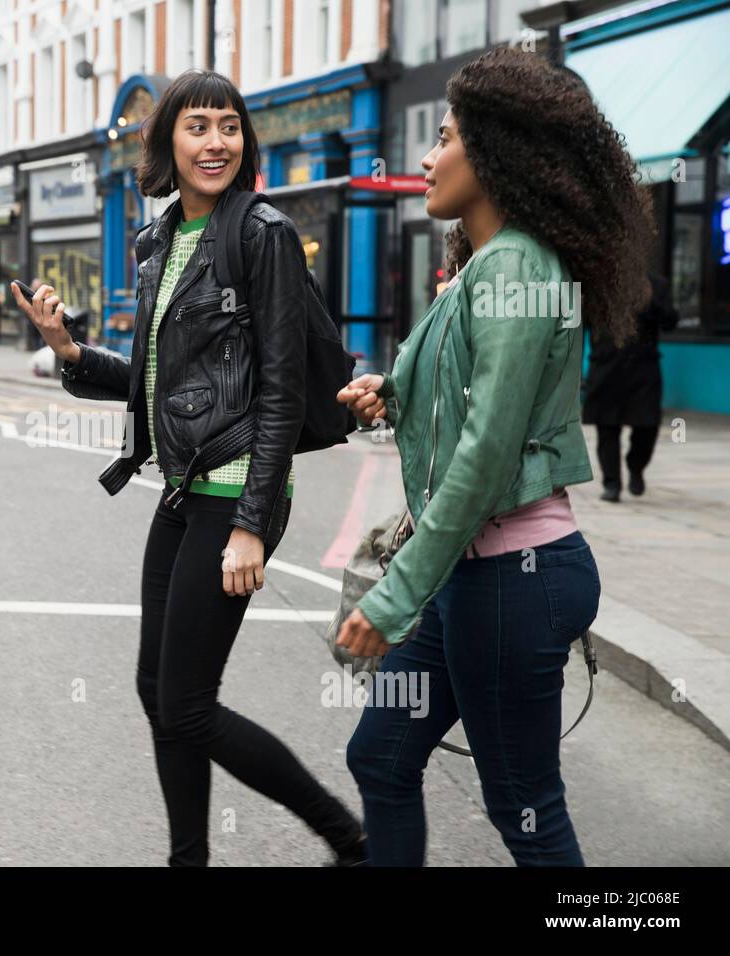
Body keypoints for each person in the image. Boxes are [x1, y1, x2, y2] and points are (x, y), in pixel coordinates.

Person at [11, 68, 366, 868]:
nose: (216, 142)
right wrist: (70, 352)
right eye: (198, 126)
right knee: (157, 693)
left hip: (238, 492)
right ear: (167, 140)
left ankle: (351, 839)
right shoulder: (160, 241)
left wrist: (249, 527)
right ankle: (190, 859)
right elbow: (155, 378)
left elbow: (278, 390)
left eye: (230, 126)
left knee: (189, 706)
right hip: (183, 491)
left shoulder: (263, 233)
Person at [335, 47, 654, 866]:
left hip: (511, 578)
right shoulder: (487, 267)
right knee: (380, 755)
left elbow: (486, 451)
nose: (427, 156)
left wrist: (396, 593)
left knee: (525, 809)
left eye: (443, 138)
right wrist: (392, 393)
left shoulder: (515, 264)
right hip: (474, 577)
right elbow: (470, 394)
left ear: (496, 152)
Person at [582, 272, 678, 501]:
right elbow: (578, 323)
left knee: (648, 426)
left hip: (643, 368)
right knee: (607, 428)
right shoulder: (596, 284)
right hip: (605, 366)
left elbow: (671, 322)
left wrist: (650, 299)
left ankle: (636, 467)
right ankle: (612, 483)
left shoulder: (656, 284)